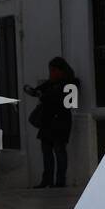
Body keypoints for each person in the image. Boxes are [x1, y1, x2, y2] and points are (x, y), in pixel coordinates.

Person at [23, 57, 79, 188]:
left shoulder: (72, 84)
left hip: (61, 123)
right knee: (46, 151)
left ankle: (60, 181)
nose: (51, 73)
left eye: (54, 70)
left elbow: (69, 103)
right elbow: (37, 91)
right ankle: (46, 180)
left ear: (61, 71)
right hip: (48, 123)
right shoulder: (50, 84)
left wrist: (47, 96)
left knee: (59, 151)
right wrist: (33, 91)